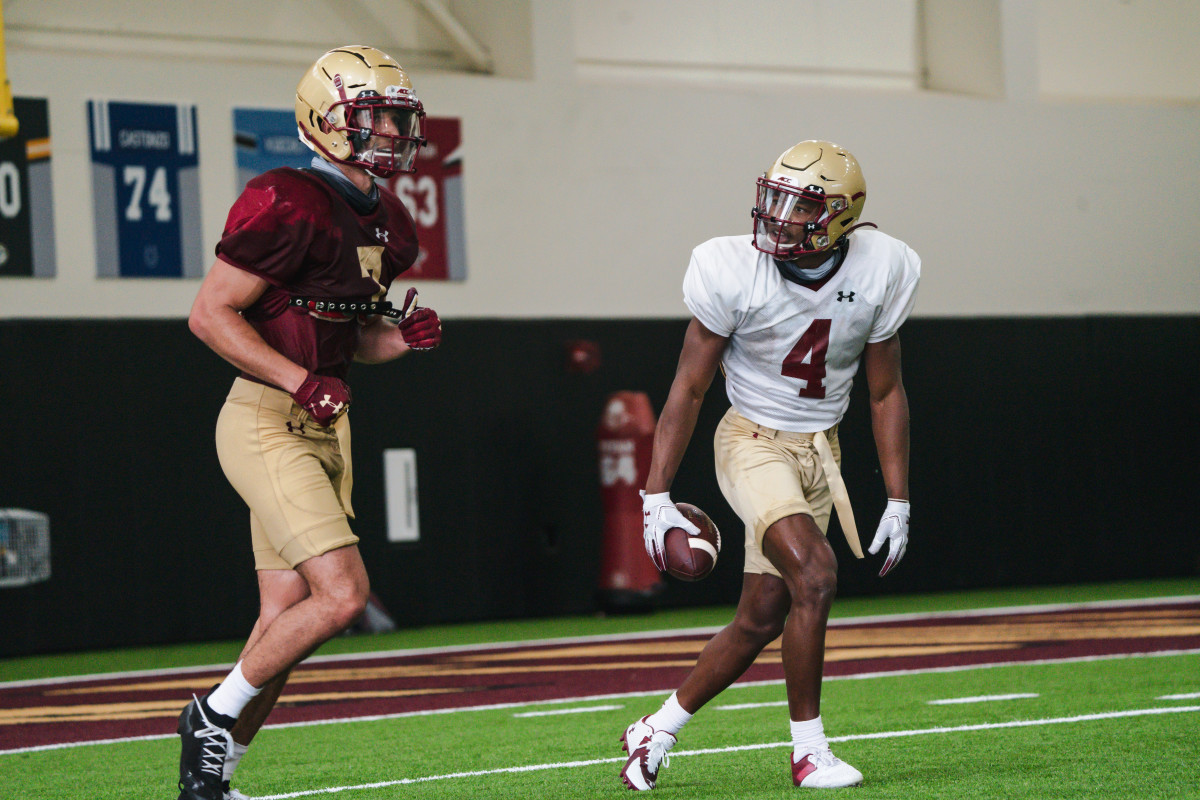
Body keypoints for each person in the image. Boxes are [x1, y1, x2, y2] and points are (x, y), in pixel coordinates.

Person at [176, 45, 442, 800]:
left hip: (325, 423)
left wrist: (396, 341)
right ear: (324, 121)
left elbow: (347, 336)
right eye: (375, 117)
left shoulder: (389, 220)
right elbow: (210, 314)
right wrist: (299, 379)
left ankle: (212, 778)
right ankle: (211, 716)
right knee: (343, 595)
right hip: (267, 418)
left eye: (396, 118)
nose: (390, 132)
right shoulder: (285, 199)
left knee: (285, 617)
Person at [619, 141, 918, 791]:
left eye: (800, 205)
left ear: (842, 215)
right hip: (751, 440)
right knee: (816, 574)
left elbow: (886, 391)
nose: (779, 216)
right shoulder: (730, 267)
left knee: (760, 616)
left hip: (821, 451)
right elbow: (688, 389)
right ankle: (809, 752)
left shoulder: (884, 266)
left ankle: (657, 728)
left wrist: (898, 498)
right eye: (775, 198)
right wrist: (655, 496)